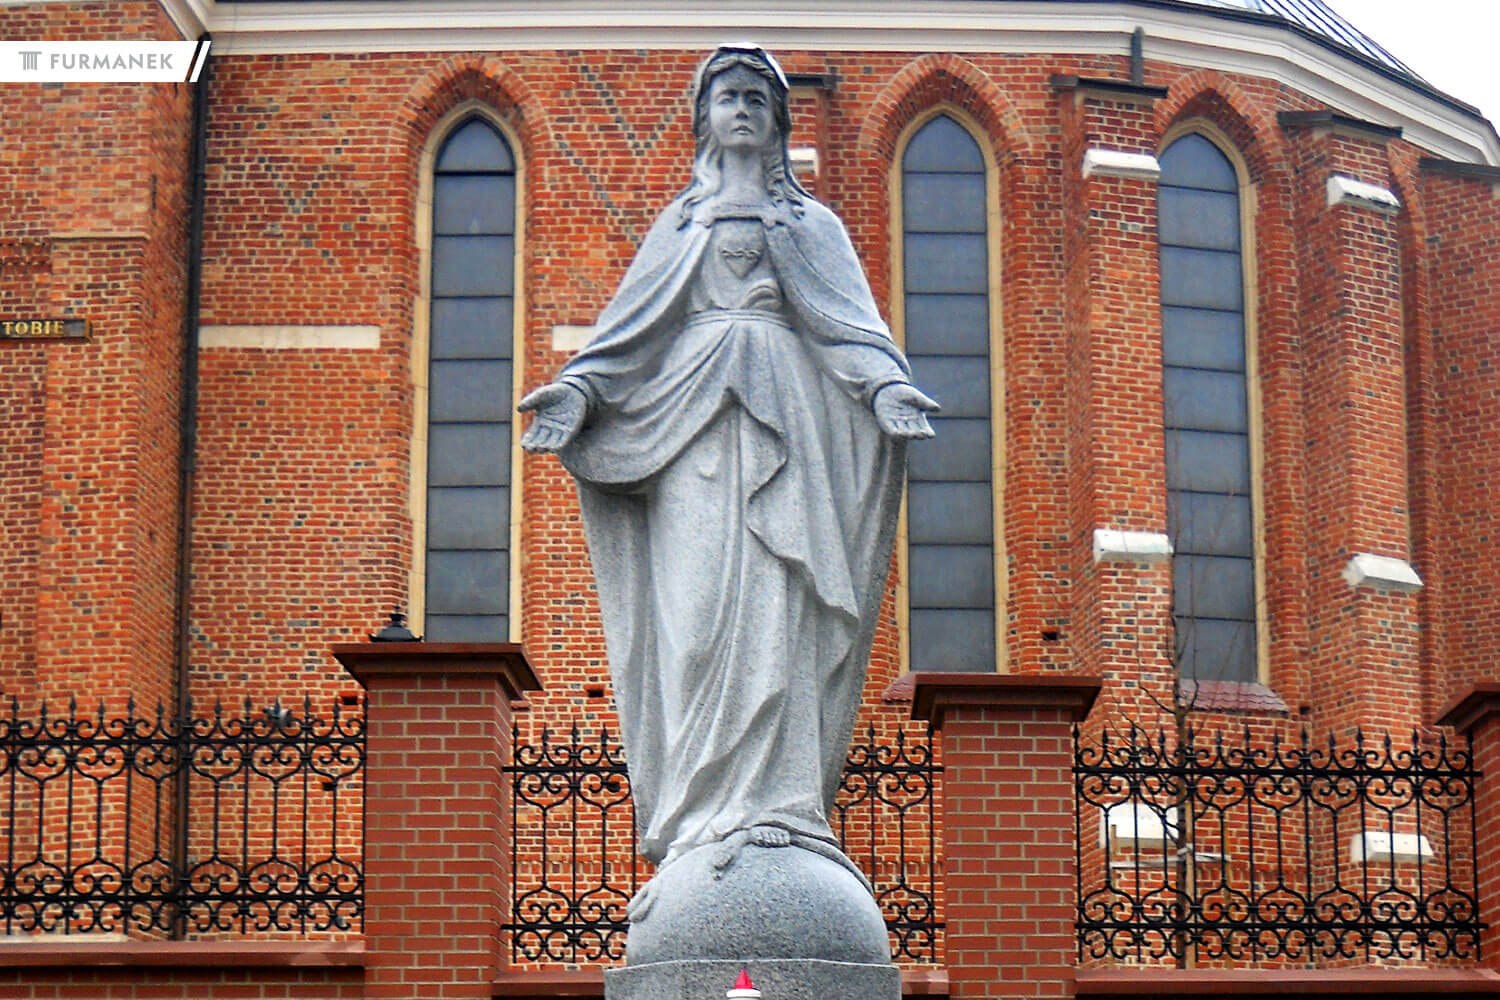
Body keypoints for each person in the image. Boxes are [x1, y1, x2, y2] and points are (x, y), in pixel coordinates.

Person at [520, 45, 937, 900]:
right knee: (696, 620)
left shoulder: (812, 227)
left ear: (777, 119)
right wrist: (577, 392)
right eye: (727, 97)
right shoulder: (679, 227)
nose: (741, 109)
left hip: (789, 432)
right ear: (703, 117)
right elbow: (627, 336)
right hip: (690, 438)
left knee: (779, 618)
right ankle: (699, 815)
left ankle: (783, 808)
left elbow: (850, 329)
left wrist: (887, 389)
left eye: (755, 97)